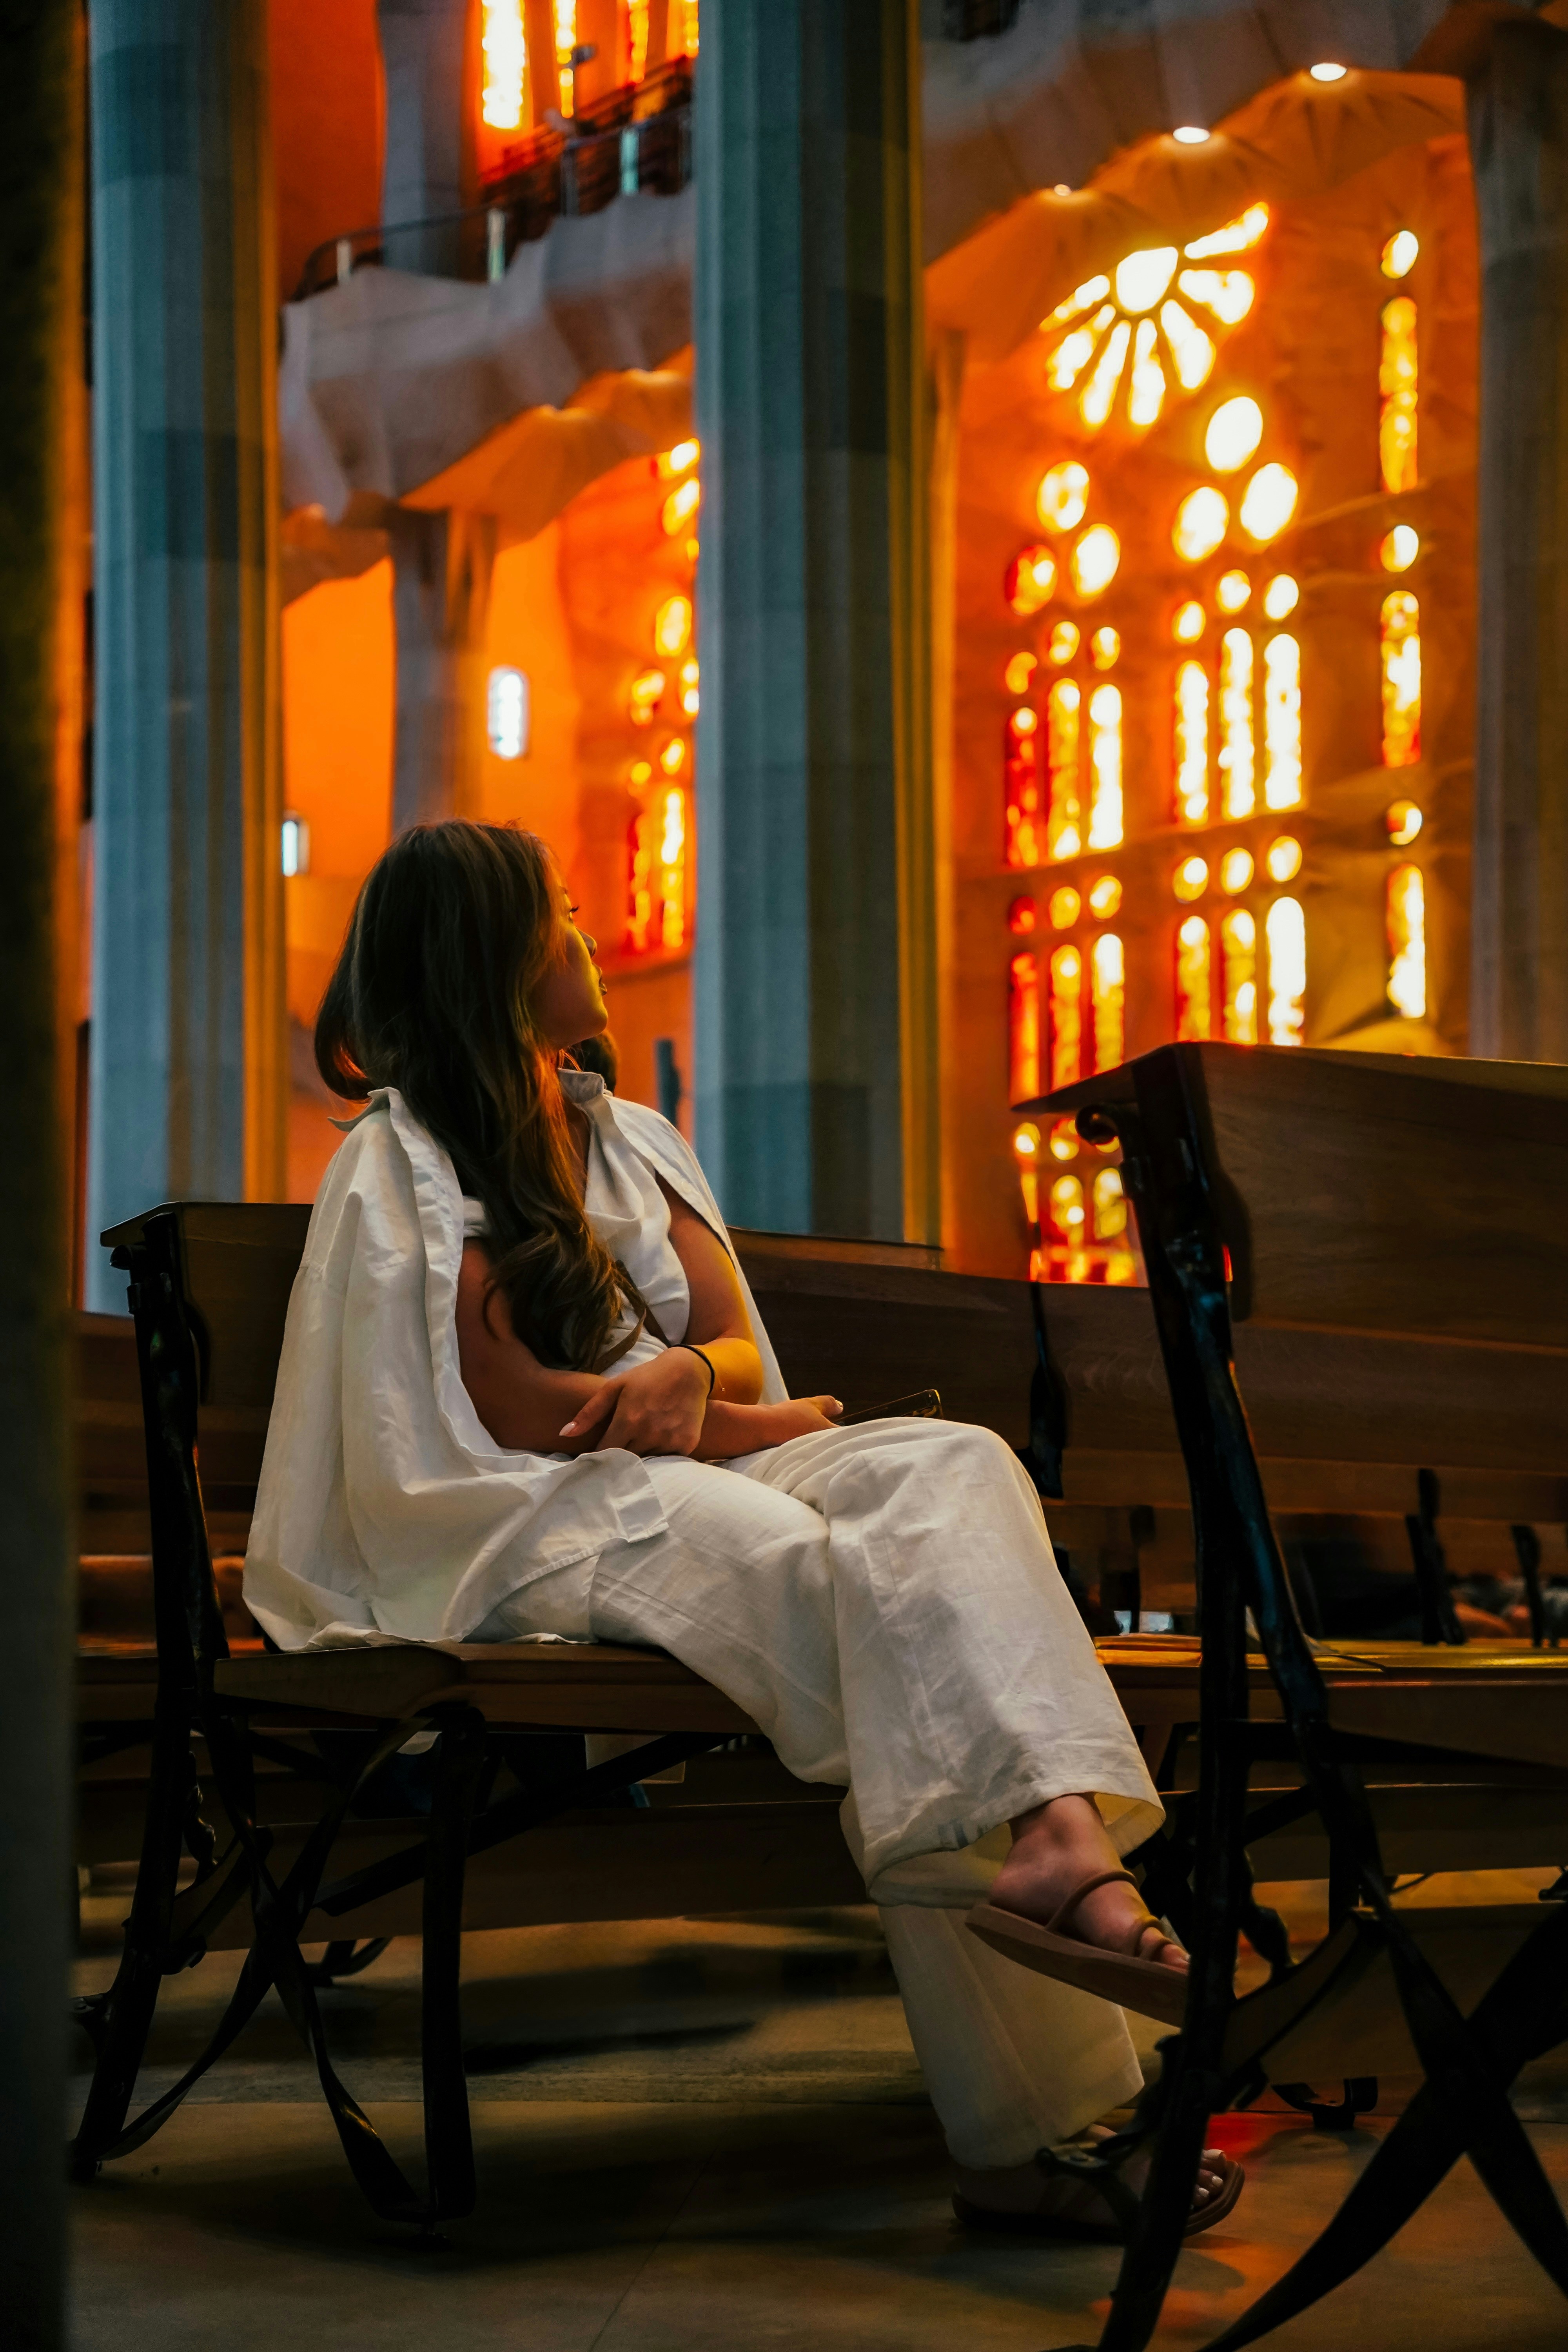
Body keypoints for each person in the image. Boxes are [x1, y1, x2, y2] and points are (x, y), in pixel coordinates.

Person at [244, 820, 1242, 2238]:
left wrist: (697, 1387)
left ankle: (1055, 1837)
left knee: (949, 1473)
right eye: (564, 914)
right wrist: (721, 1416)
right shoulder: (402, 1159)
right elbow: (509, 1411)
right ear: (492, 962)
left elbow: (726, 1345)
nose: (590, 934)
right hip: (503, 1517)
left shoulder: (633, 1137)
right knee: (828, 1584)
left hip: (674, 1466)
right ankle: (1052, 2123)